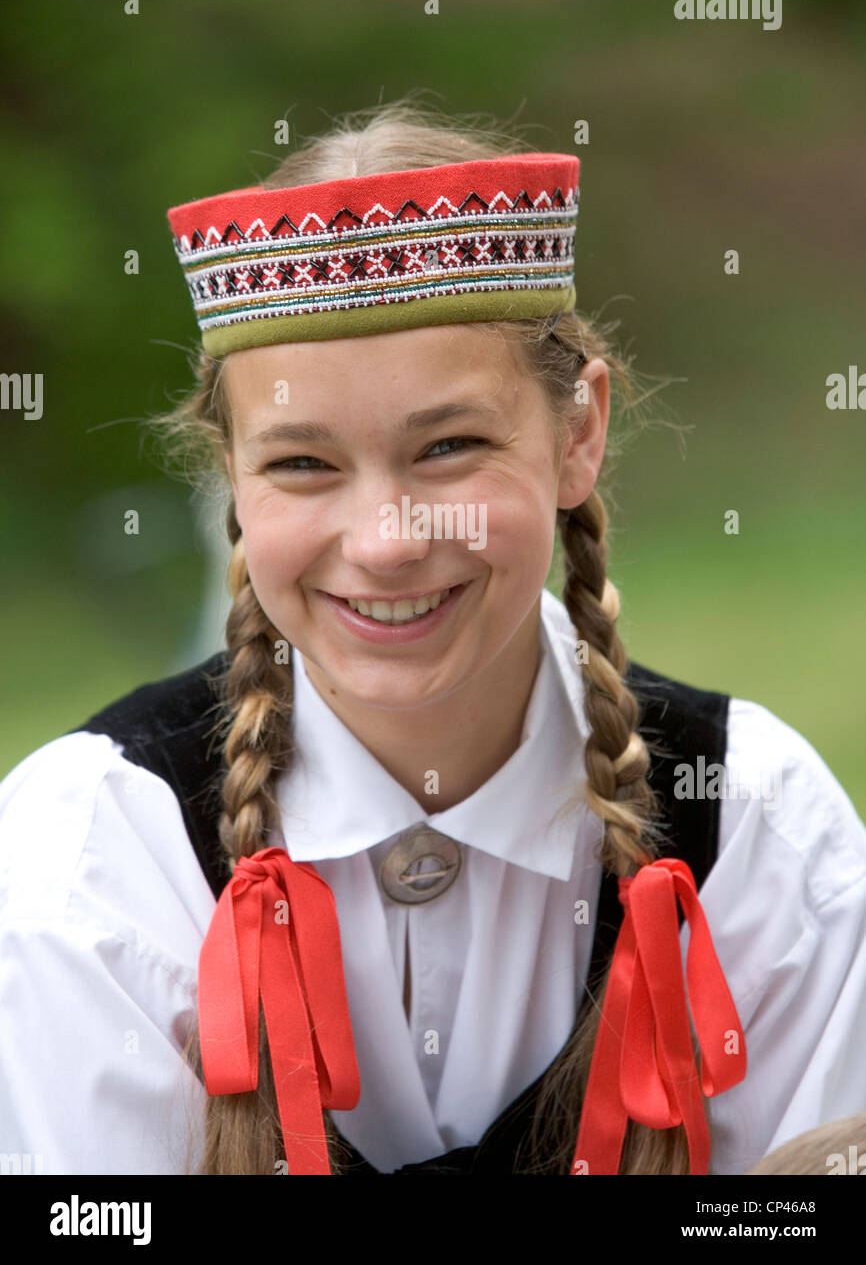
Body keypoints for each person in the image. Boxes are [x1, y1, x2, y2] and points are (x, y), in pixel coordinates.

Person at [1, 98, 864, 1177]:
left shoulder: (760, 833)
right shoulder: (93, 859)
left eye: (448, 445)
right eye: (302, 464)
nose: (388, 540)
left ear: (577, 433)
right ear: (232, 477)